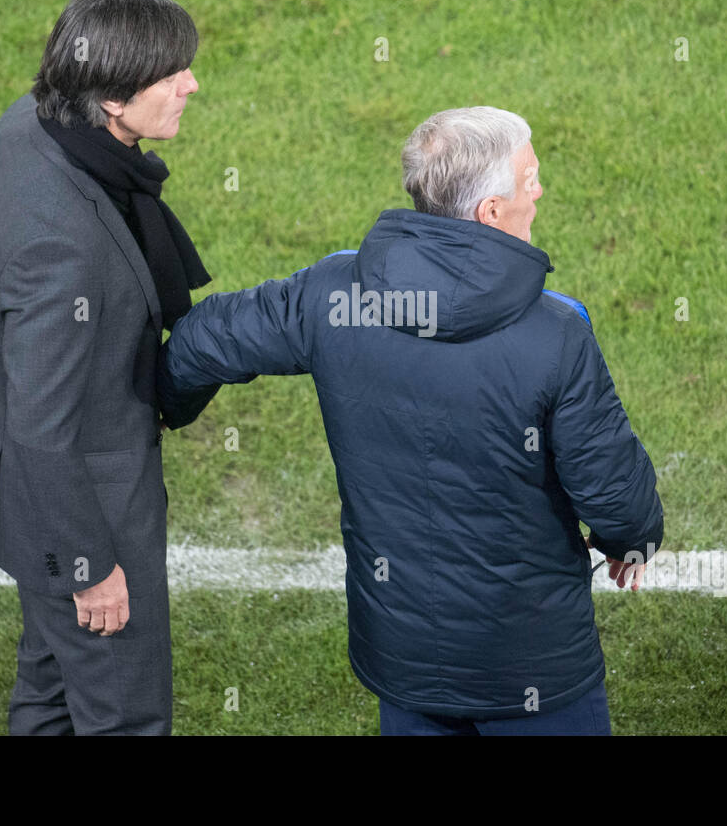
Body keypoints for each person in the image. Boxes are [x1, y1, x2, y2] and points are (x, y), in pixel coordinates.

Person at [158, 106, 664, 735]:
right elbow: (611, 487)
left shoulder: (331, 296)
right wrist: (630, 543)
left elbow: (206, 339)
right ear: (490, 213)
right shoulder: (556, 333)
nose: (540, 189)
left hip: (402, 656)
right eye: (529, 177)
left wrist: (161, 405)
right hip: (532, 663)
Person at [0, 0, 217, 734]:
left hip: (34, 506)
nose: (190, 84)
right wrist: (89, 568)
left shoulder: (28, 124)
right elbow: (43, 427)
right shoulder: (61, 250)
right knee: (123, 715)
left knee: (51, 692)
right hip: (83, 517)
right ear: (110, 100)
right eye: (171, 74)